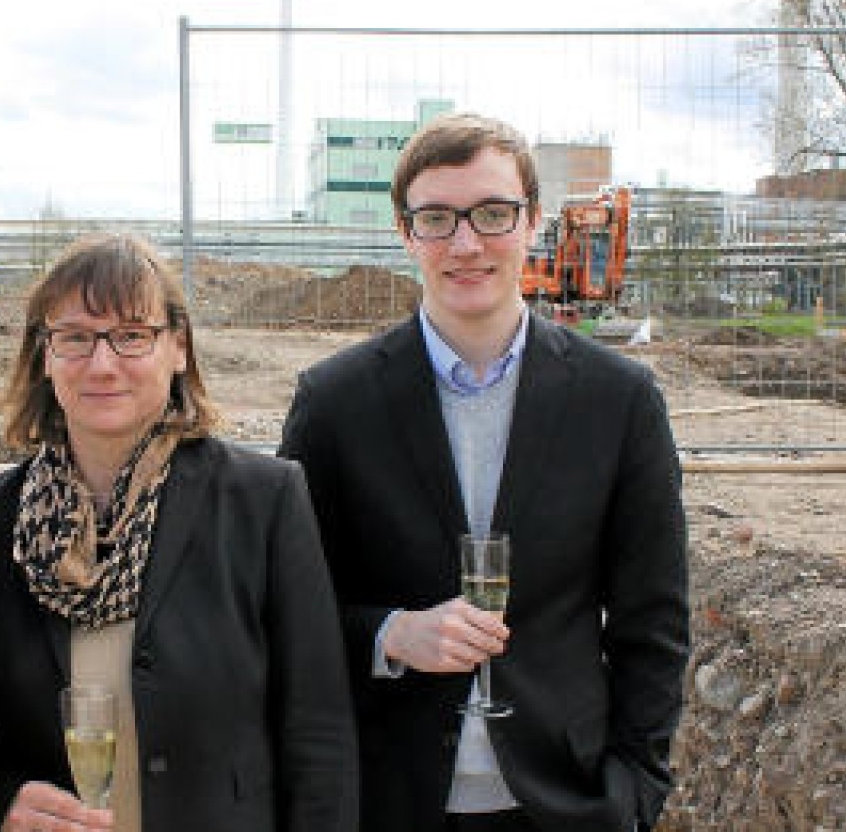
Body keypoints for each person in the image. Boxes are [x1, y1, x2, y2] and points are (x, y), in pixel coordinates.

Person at [278, 113, 689, 832]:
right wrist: (391, 635)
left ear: (531, 222)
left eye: (492, 214)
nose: (465, 243)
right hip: (389, 799)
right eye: (436, 218)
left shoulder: (618, 402)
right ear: (406, 233)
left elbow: (651, 622)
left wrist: (633, 793)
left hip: (562, 803)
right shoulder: (334, 405)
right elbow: (288, 608)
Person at [0, 233, 356, 832]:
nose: (102, 364)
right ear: (45, 356)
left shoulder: (264, 500)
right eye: (75, 337)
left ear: (178, 348)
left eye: (131, 335)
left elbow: (319, 729)